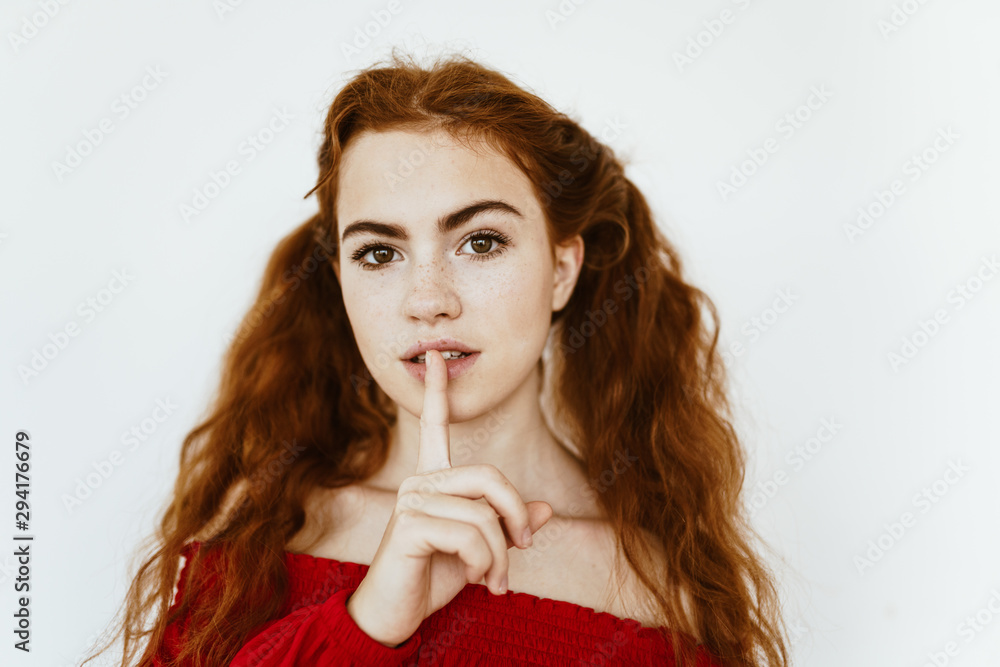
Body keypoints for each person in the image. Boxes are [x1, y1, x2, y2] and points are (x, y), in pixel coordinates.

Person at [83, 51, 788, 667]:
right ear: (341, 280)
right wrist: (367, 620)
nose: (427, 300)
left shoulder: (659, 586)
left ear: (561, 270)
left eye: (480, 242)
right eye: (379, 253)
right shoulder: (261, 532)